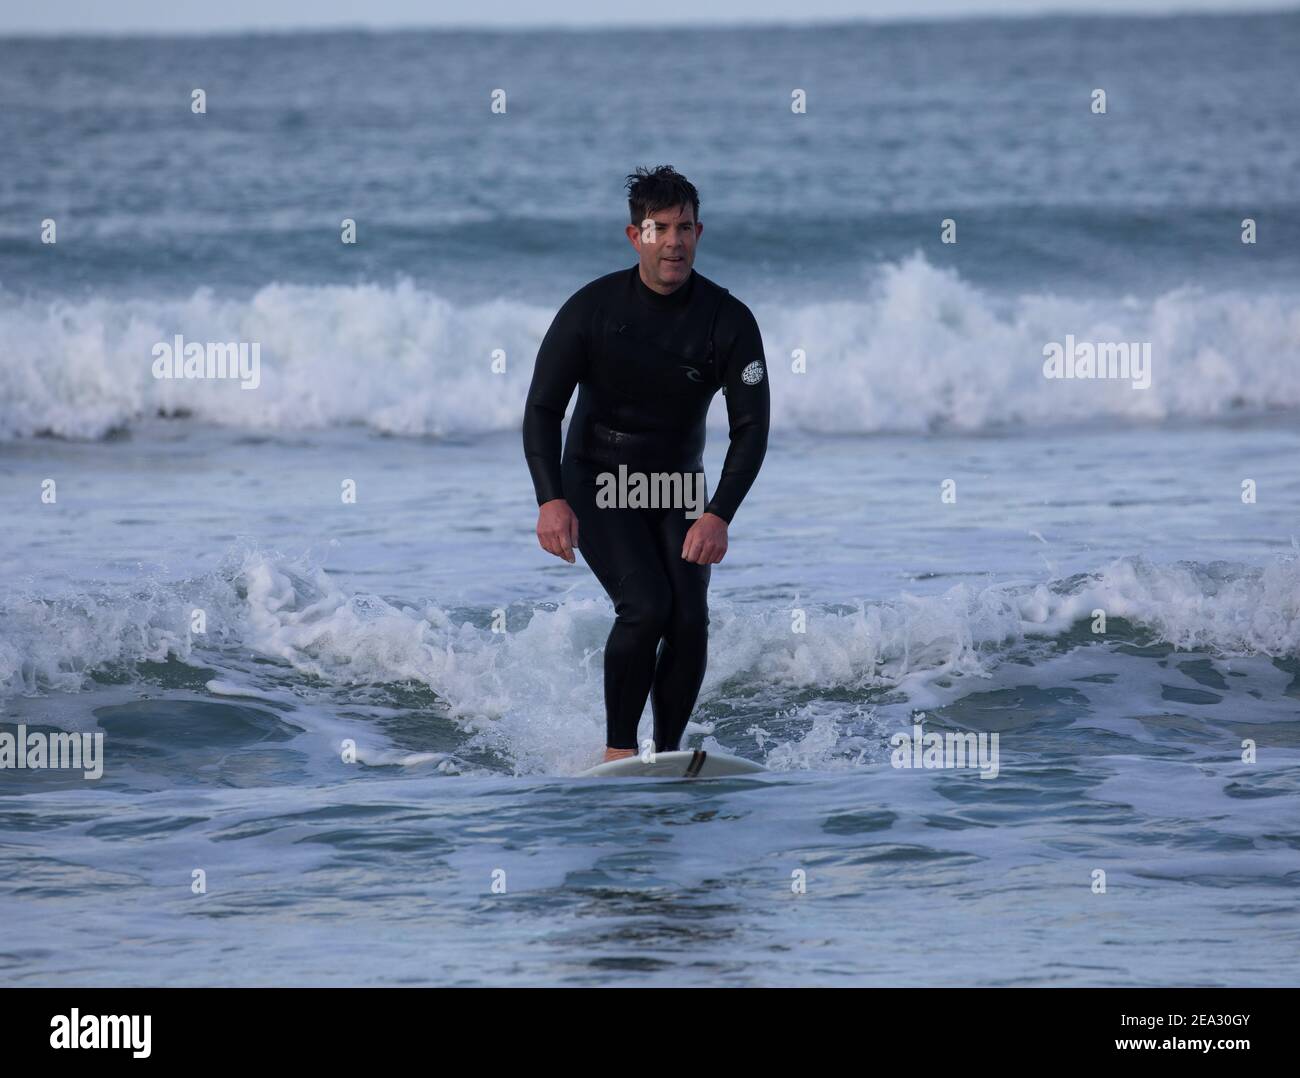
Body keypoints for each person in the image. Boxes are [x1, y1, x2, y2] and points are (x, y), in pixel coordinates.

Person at [523, 165, 770, 763]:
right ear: (636, 237)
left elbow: (751, 428)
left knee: (689, 619)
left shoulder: (727, 321)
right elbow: (542, 410)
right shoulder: (591, 309)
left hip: (678, 486)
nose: (674, 241)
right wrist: (550, 498)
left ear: (699, 232)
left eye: (684, 227)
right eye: (659, 228)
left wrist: (718, 514)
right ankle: (617, 753)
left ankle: (666, 753)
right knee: (647, 606)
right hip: (597, 477)